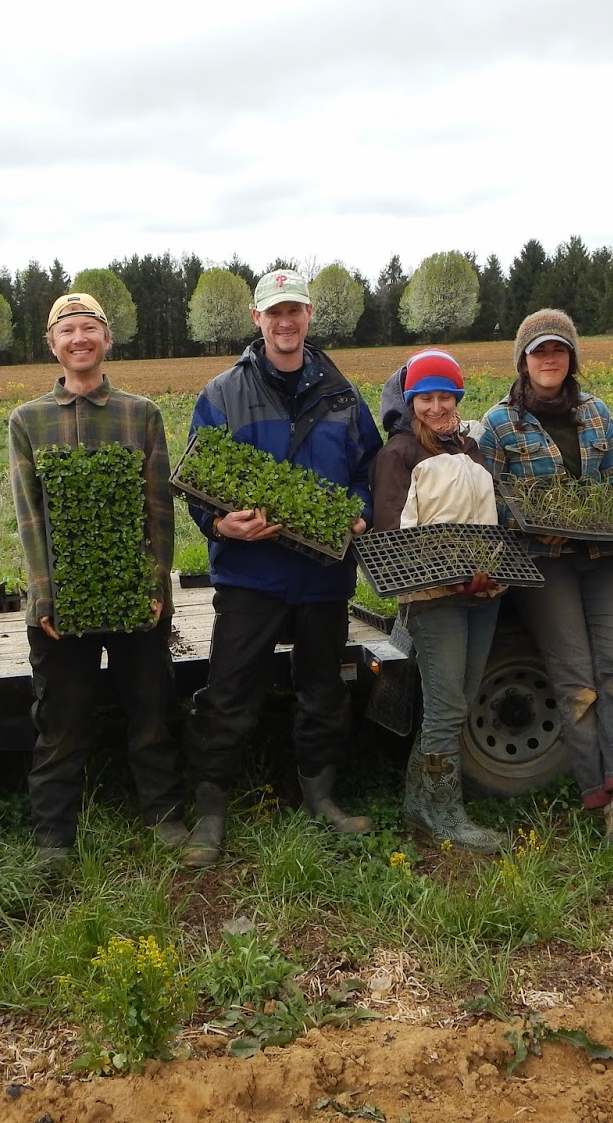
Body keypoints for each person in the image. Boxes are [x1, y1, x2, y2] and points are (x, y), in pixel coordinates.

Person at [180, 268, 383, 868]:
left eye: (294, 310)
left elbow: (367, 469)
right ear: (257, 319)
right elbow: (198, 482)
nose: (285, 321)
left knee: (323, 689)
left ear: (309, 315)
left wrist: (360, 515)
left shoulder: (342, 396)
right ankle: (210, 812)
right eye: (275, 312)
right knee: (229, 691)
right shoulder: (221, 394)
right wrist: (219, 525)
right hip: (252, 574)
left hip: (323, 573)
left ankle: (321, 794)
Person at [479, 310, 613, 850]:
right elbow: (490, 500)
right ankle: (600, 793)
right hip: (544, 566)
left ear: (571, 356)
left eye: (558, 350)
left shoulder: (597, 413)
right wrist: (537, 523)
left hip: (601, 560)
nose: (549, 359)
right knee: (576, 684)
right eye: (538, 351)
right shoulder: (499, 423)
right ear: (523, 360)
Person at [7, 292, 186, 865]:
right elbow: (29, 516)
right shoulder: (28, 420)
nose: (79, 339)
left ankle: (163, 816)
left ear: (106, 340)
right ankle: (53, 836)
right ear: (53, 345)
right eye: (68, 331)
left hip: (135, 597)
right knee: (60, 722)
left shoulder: (141, 414)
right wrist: (44, 597)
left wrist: (157, 587)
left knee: (152, 712)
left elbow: (160, 508)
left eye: (90, 329)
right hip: (62, 603)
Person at [370, 349, 508, 853]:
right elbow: (392, 535)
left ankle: (418, 802)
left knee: (456, 703)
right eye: (424, 397)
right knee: (446, 707)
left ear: (457, 397)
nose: (435, 405)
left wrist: (486, 571)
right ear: (410, 402)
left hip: (482, 593)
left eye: (444, 395)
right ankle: (445, 812)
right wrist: (447, 576)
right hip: (433, 599)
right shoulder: (399, 454)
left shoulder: (470, 450)